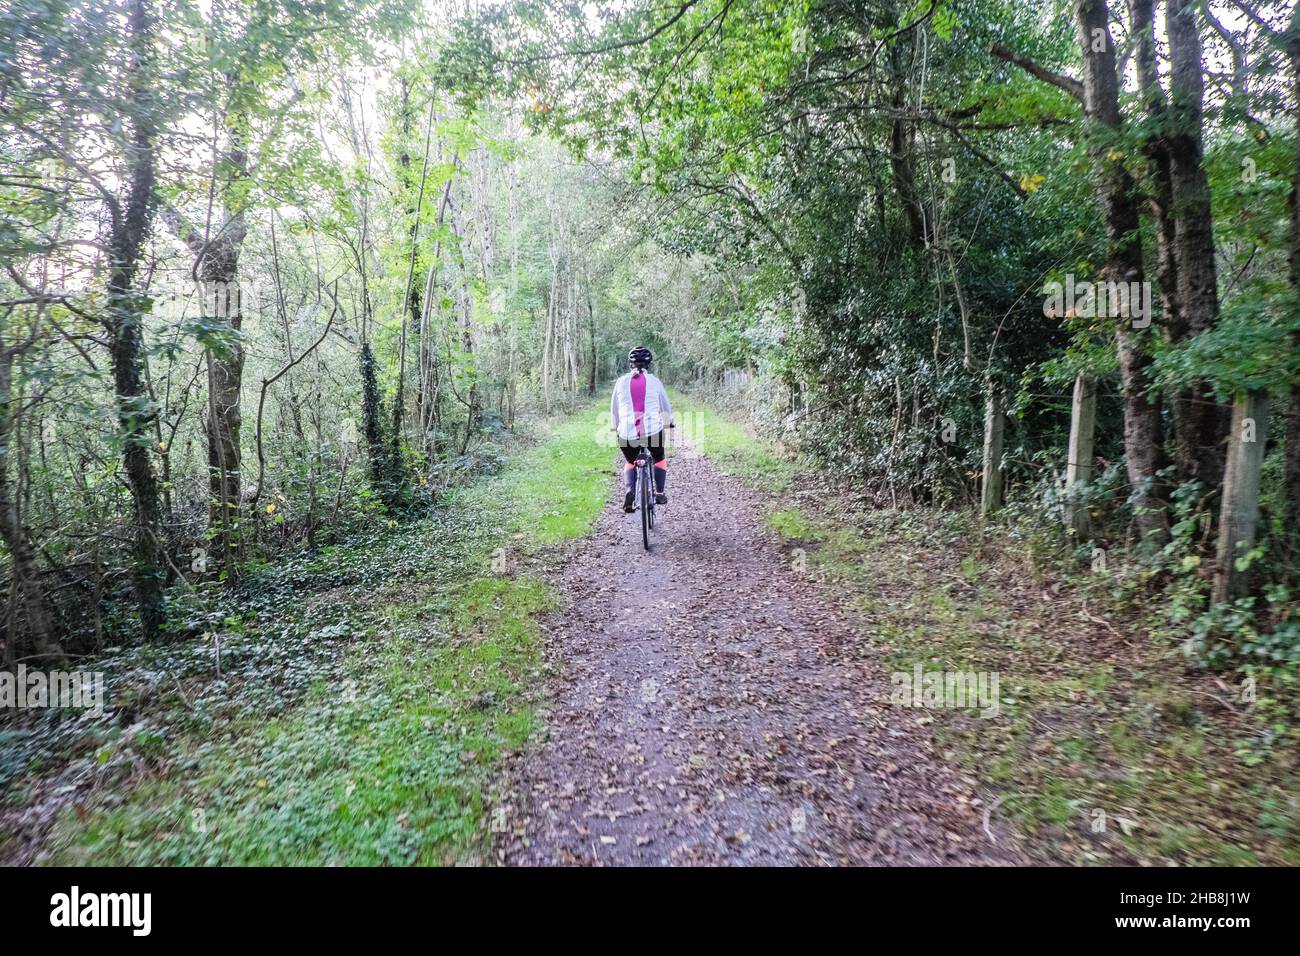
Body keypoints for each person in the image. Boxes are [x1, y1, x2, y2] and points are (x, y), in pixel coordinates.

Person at [611, 346, 674, 513]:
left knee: (630, 461)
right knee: (659, 457)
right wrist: (669, 422)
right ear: (649, 363)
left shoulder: (620, 382)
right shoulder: (654, 381)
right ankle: (659, 493)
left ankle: (630, 490)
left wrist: (614, 426)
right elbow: (665, 408)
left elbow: (614, 409)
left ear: (630, 364)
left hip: (626, 433)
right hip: (653, 431)